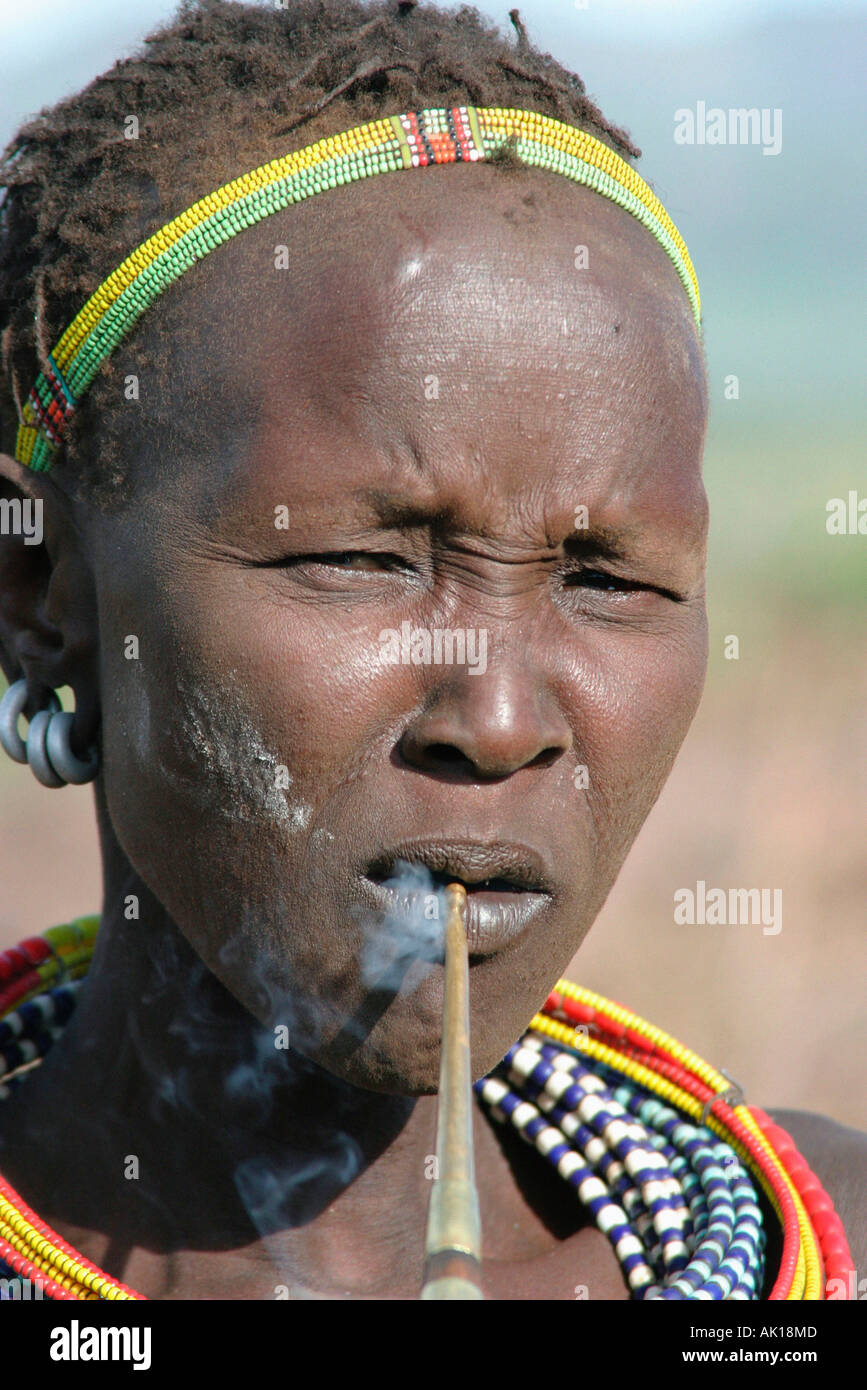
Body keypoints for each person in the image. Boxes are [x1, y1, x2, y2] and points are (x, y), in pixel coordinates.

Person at [0, 0, 861, 1301]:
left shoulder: (828, 1246)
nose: (502, 717)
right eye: (367, 559)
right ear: (37, 586)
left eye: (606, 577)